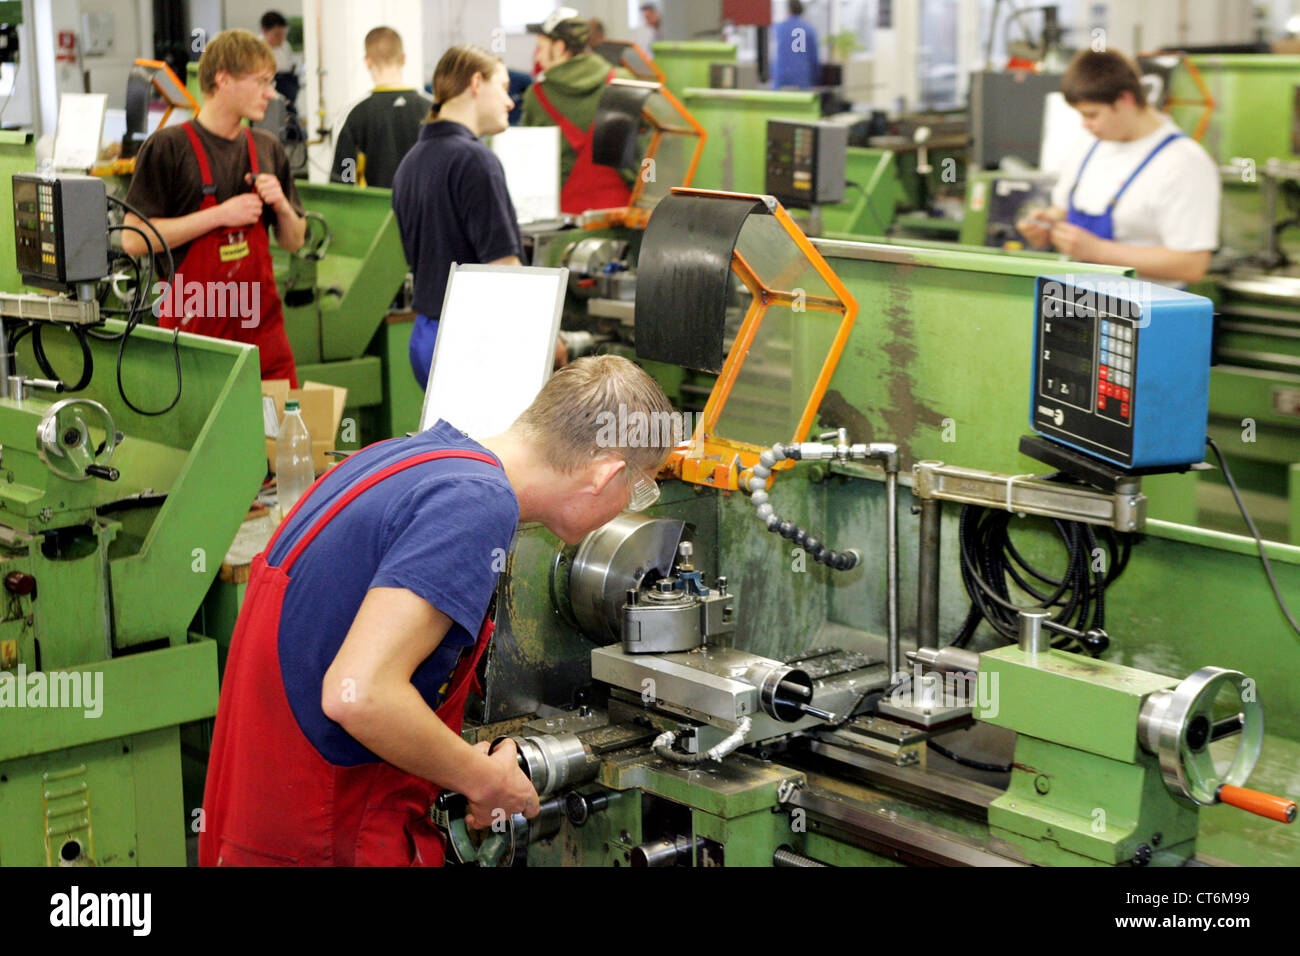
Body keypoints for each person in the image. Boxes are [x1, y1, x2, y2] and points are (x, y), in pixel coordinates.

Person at [199, 354, 676, 866]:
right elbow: (358, 695)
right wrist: (484, 778)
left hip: (271, 808)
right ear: (605, 476)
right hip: (328, 830)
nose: (633, 503)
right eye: (641, 485)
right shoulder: (475, 505)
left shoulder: (416, 458)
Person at [122, 29, 306, 385]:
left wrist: (282, 205)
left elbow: (294, 242)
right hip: (194, 344)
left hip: (262, 337)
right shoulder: (168, 147)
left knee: (281, 437)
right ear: (223, 79)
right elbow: (133, 239)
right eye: (261, 82)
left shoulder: (268, 148)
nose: (271, 93)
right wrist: (220, 216)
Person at [393, 46, 564, 390]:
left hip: (427, 333)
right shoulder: (474, 160)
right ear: (475, 83)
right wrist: (547, 338)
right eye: (502, 87)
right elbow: (504, 270)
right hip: (472, 342)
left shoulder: (411, 161)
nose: (510, 102)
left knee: (453, 445)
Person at [1016, 49, 1220, 284]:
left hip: (1145, 311)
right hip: (1080, 302)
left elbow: (1191, 265)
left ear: (1125, 100)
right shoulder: (1090, 145)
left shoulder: (1183, 162)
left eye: (1092, 114)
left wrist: (1098, 250)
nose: (1085, 125)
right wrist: (1045, 224)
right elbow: (1061, 209)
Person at [521, 8, 632, 216]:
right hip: (621, 213)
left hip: (566, 217)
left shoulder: (536, 96)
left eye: (541, 48)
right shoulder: (623, 81)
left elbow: (528, 163)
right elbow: (645, 150)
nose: (538, 56)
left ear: (560, 47)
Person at [330, 27, 432, 188]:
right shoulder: (433, 109)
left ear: (367, 61)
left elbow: (344, 179)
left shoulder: (354, 113)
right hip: (425, 209)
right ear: (404, 59)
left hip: (374, 210)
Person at [772, 1, 821, 90]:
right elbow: (814, 59)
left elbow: (773, 54)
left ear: (788, 10)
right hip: (802, 78)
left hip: (782, 78)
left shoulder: (778, 28)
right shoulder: (809, 30)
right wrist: (816, 80)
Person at [260, 11, 300, 118]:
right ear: (264, 32)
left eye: (284, 34)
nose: (282, 39)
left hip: (288, 91)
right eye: (277, 35)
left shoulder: (286, 46)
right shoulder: (256, 49)